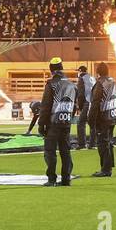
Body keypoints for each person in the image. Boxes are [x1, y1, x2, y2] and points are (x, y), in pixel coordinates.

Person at [37, 56, 76, 186]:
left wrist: (41, 124)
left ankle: (51, 179)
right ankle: (66, 179)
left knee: (50, 151)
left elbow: (46, 106)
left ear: (51, 70)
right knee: (65, 151)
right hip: (66, 122)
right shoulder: (71, 84)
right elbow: (75, 105)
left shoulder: (51, 84)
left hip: (53, 123)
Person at [87, 62, 116, 178]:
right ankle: (109, 166)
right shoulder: (112, 81)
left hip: (103, 117)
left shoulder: (100, 84)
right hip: (112, 115)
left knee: (102, 143)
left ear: (98, 72)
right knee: (109, 142)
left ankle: (106, 169)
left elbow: (95, 103)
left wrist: (90, 119)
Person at [75, 64, 96, 151]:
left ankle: (82, 144)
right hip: (94, 102)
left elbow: (80, 94)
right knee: (93, 123)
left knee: (81, 123)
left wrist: (80, 106)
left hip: (87, 102)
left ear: (80, 71)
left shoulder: (81, 79)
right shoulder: (92, 78)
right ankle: (92, 143)